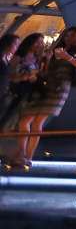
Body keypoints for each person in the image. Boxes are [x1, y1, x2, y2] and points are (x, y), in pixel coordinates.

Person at [14, 27, 76, 168]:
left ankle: (28, 157)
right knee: (24, 120)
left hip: (60, 87)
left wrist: (67, 57)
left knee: (38, 122)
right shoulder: (55, 48)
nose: (70, 38)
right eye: (68, 35)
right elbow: (45, 69)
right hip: (45, 85)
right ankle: (21, 153)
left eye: (74, 36)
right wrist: (46, 60)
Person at [1, 33, 49, 169]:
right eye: (37, 42)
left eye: (42, 42)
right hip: (15, 93)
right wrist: (26, 76)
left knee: (16, 123)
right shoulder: (18, 57)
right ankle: (17, 156)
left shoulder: (36, 58)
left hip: (26, 95)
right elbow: (10, 75)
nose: (40, 45)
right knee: (10, 122)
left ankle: (19, 156)